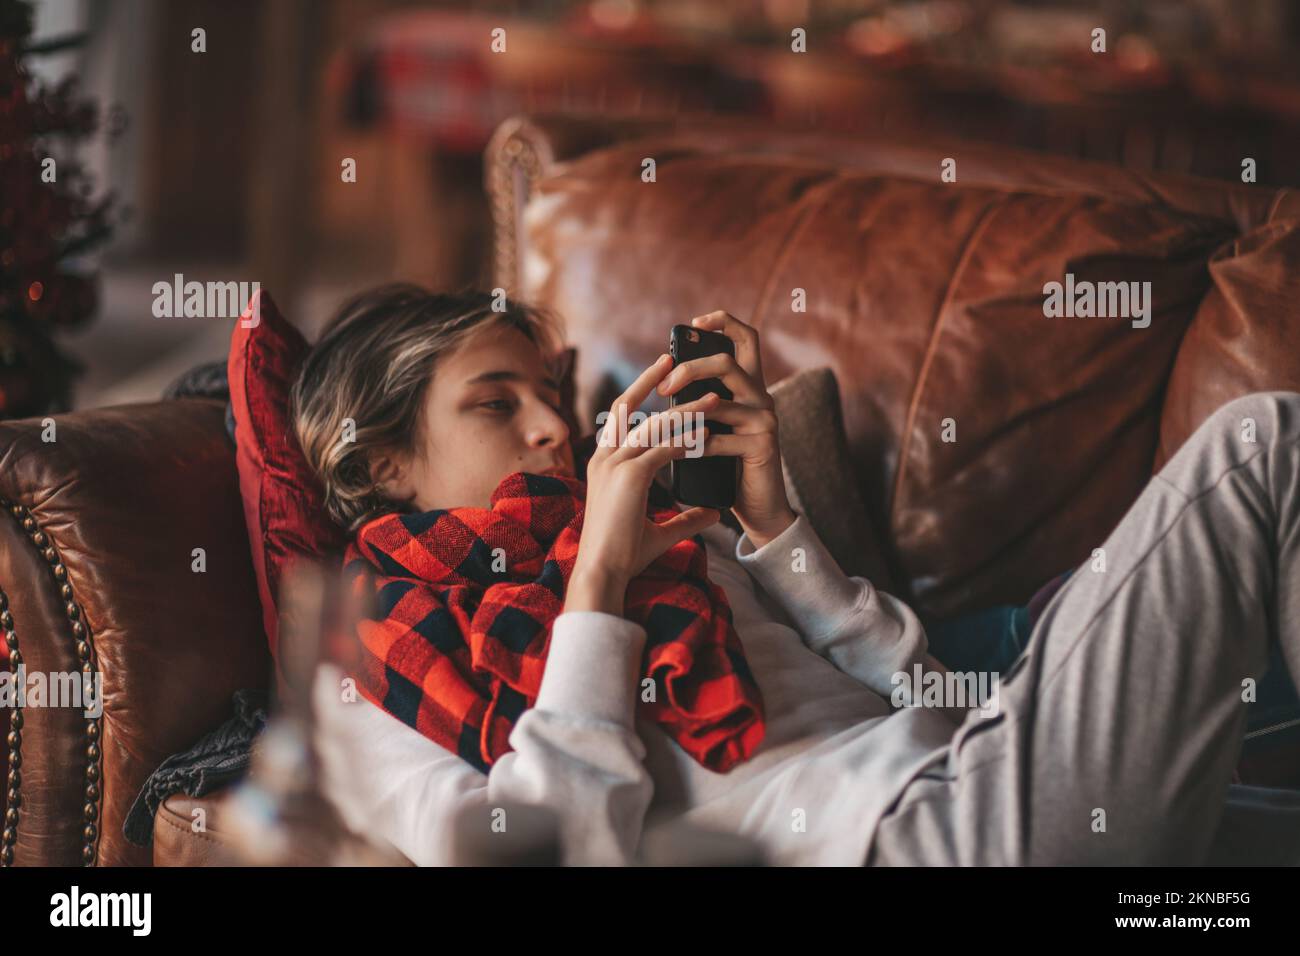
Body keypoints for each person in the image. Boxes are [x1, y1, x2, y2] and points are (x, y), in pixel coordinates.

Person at [292, 284, 1300, 865]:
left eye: (549, 392)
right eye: (494, 402)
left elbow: (934, 698)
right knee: (1263, 444)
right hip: (902, 842)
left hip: (980, 780)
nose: (555, 424)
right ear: (381, 464)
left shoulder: (680, 543)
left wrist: (772, 523)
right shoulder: (374, 666)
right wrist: (595, 581)